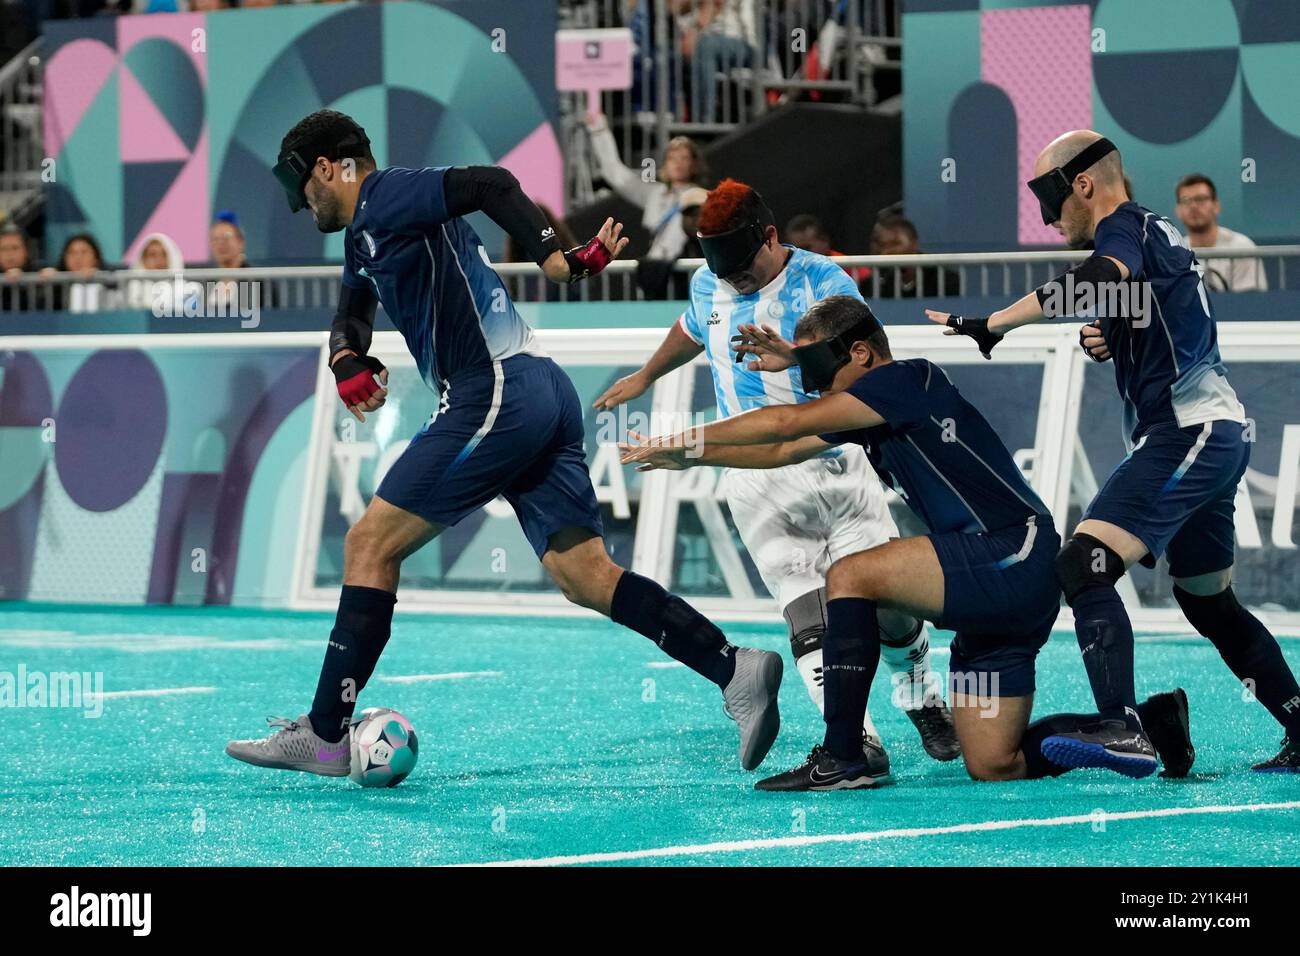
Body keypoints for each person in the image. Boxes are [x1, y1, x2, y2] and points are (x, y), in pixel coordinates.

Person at [225, 110, 786, 778]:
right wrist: (348, 361)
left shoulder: (384, 196)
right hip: (540, 392)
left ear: (326, 167)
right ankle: (734, 668)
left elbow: (491, 183)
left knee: (368, 543)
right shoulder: (363, 237)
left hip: (493, 391)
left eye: (302, 187)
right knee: (586, 578)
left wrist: (552, 256)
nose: (301, 205)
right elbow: (349, 317)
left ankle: (323, 732)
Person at [622, 295, 1193, 789]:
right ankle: (1145, 724)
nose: (812, 380)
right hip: (1001, 596)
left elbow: (781, 425)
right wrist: (683, 455)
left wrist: (684, 441)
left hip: (1007, 552)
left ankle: (844, 757)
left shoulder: (904, 378)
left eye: (817, 363)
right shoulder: (875, 407)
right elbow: (775, 451)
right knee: (995, 762)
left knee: (850, 576)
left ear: (863, 353)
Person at [929, 130, 1300, 774]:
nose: (1048, 219)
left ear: (1083, 184)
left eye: (1050, 199)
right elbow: (1144, 300)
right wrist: (1116, 332)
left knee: (1084, 563)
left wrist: (993, 324)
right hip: (1215, 433)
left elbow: (1101, 276)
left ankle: (1122, 725)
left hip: (1189, 433)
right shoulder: (1157, 231)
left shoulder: (1122, 228)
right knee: (1208, 601)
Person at [595, 180, 959, 782]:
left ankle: (923, 701)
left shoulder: (825, 283)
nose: (733, 282)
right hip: (758, 478)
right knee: (808, 618)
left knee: (888, 606)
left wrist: (795, 355)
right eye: (722, 271)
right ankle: (855, 744)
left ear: (770, 237)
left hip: (836, 461)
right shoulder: (709, 279)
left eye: (742, 268)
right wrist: (643, 376)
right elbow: (692, 328)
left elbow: (867, 367)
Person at [585, 110, 706, 265]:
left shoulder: (703, 198)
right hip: (656, 270)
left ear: (694, 164)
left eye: (684, 158)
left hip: (686, 269)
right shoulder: (654, 194)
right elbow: (614, 173)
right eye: (672, 158)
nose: (678, 163)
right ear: (665, 164)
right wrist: (599, 131)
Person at [1173, 173, 1268, 292]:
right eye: (1186, 201)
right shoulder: (1173, 254)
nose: (1193, 206)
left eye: (1201, 199)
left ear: (1216, 206)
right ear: (1178, 211)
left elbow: (1250, 303)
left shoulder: (1242, 248)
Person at [860, 215, 959, 298]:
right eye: (882, 245)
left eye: (895, 243)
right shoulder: (872, 285)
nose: (887, 251)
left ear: (914, 244)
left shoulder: (944, 279)